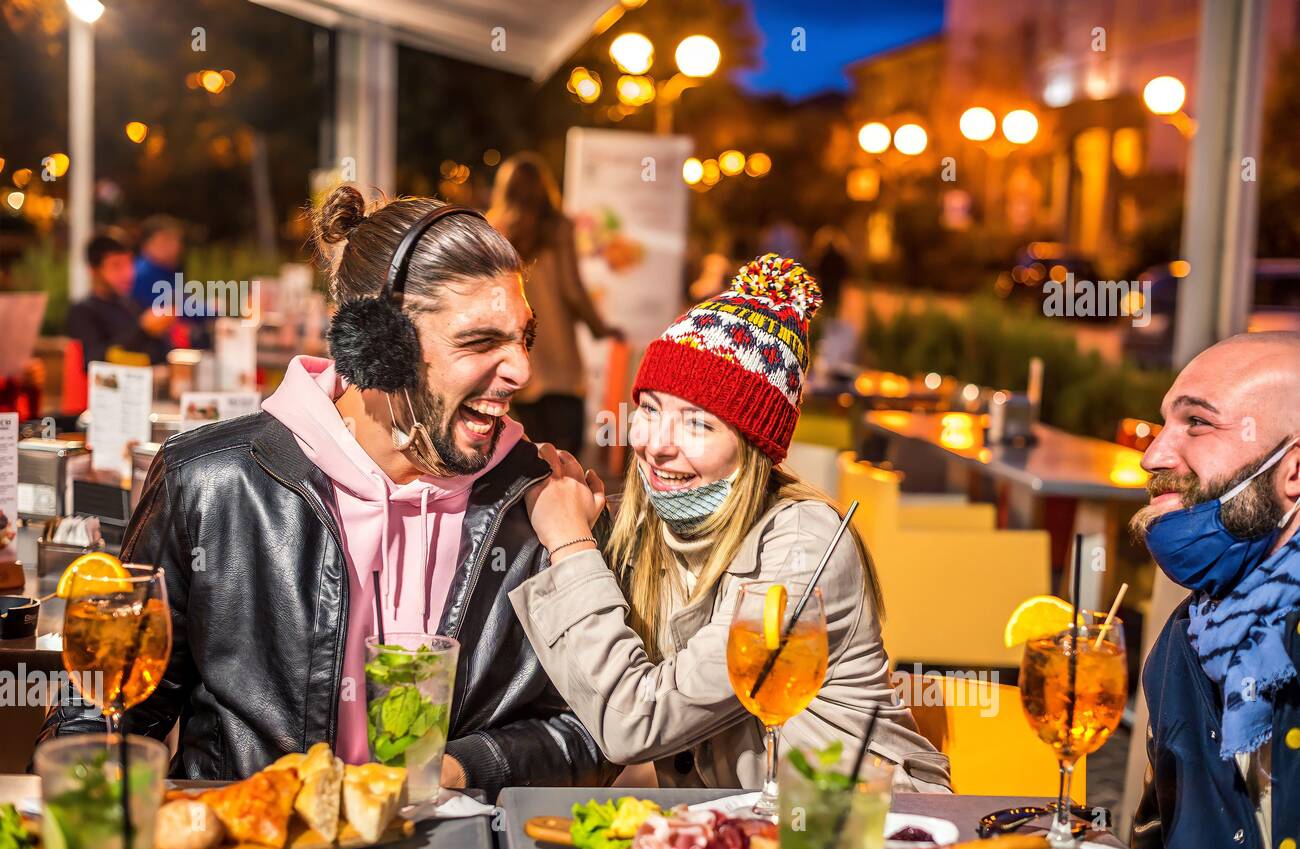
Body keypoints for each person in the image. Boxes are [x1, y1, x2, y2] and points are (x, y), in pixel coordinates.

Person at [40, 186, 617, 798]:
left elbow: (599, 732)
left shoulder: (547, 503)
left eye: (523, 338)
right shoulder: (210, 483)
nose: (522, 372)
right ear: (375, 345)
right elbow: (102, 714)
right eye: (479, 342)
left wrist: (458, 768)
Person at [508, 254, 952, 793]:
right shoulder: (652, 530)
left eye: (697, 423)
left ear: (753, 448)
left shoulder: (802, 546)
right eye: (649, 409)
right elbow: (588, 705)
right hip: (752, 828)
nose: (655, 444)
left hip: (866, 829)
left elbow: (633, 724)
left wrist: (571, 544)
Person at [1130, 332, 1300, 849]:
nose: (1151, 455)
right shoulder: (1186, 640)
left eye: (1197, 422)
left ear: (1293, 470)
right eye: (1163, 424)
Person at [487, 152, 622, 459]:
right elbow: (572, 290)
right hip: (558, 356)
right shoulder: (560, 228)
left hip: (514, 354)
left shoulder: (492, 229)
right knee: (564, 452)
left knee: (525, 454)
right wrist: (600, 328)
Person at [65, 231, 174, 368]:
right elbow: (94, 361)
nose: (127, 273)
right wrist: (143, 329)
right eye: (116, 265)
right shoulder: (83, 312)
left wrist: (160, 331)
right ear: (93, 270)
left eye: (129, 264)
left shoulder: (130, 305)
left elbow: (159, 356)